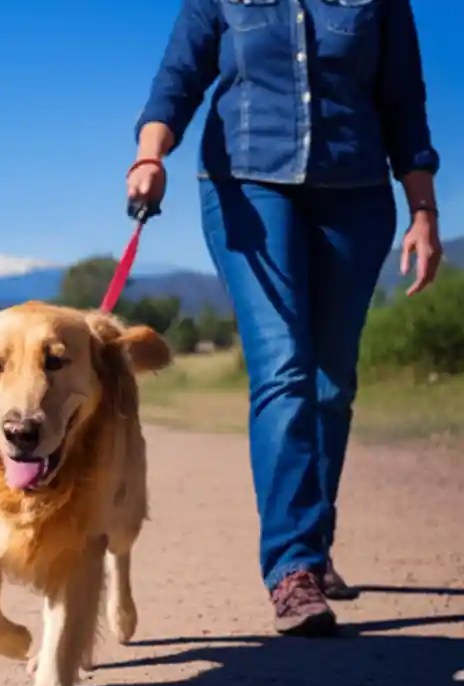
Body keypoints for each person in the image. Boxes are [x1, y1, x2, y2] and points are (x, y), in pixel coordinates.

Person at [128, 0, 442, 637]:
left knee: (331, 382)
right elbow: (178, 78)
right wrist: (149, 156)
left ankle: (314, 545)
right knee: (284, 367)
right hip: (246, 187)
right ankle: (292, 569)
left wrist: (424, 211)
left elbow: (404, 100)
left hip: (354, 194)